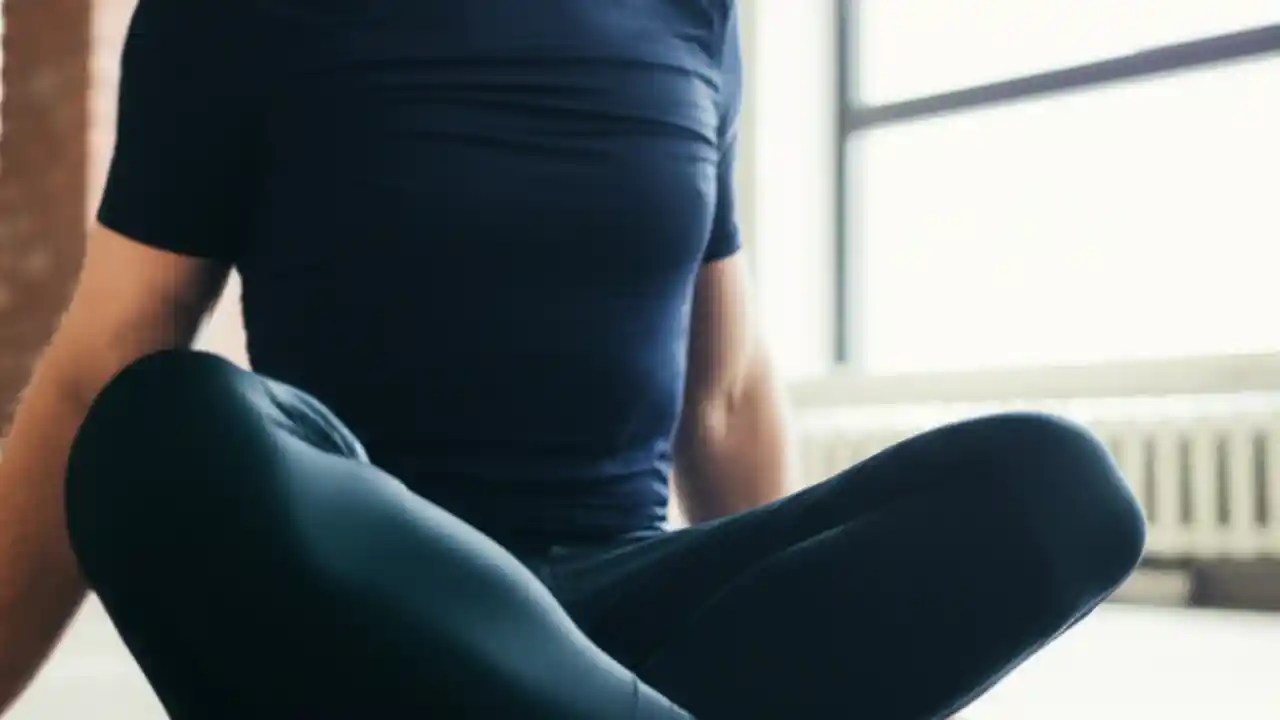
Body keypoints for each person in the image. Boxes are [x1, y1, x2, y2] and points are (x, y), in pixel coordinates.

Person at [0, 1, 1146, 718]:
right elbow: (100, 358)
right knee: (162, 424)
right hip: (361, 621)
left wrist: (780, 594)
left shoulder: (690, 14)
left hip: (626, 598)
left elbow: (725, 394)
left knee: (1053, 488)